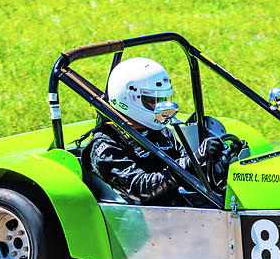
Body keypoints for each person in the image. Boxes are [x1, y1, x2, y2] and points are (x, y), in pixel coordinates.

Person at [84, 57, 227, 205]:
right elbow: (140, 189)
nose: (160, 107)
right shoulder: (106, 145)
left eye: (162, 99)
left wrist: (217, 163)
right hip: (143, 221)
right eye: (152, 100)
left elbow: (188, 172)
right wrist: (191, 162)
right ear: (127, 98)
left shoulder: (159, 132)